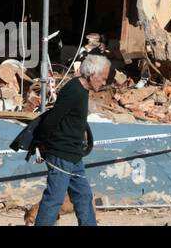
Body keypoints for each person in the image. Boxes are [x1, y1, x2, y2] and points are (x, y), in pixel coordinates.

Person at [32, 52, 112, 227]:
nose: (104, 82)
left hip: (74, 156)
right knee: (54, 199)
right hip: (61, 154)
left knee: (83, 196)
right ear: (92, 75)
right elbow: (53, 119)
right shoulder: (73, 90)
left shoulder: (82, 90)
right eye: (103, 78)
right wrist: (41, 143)